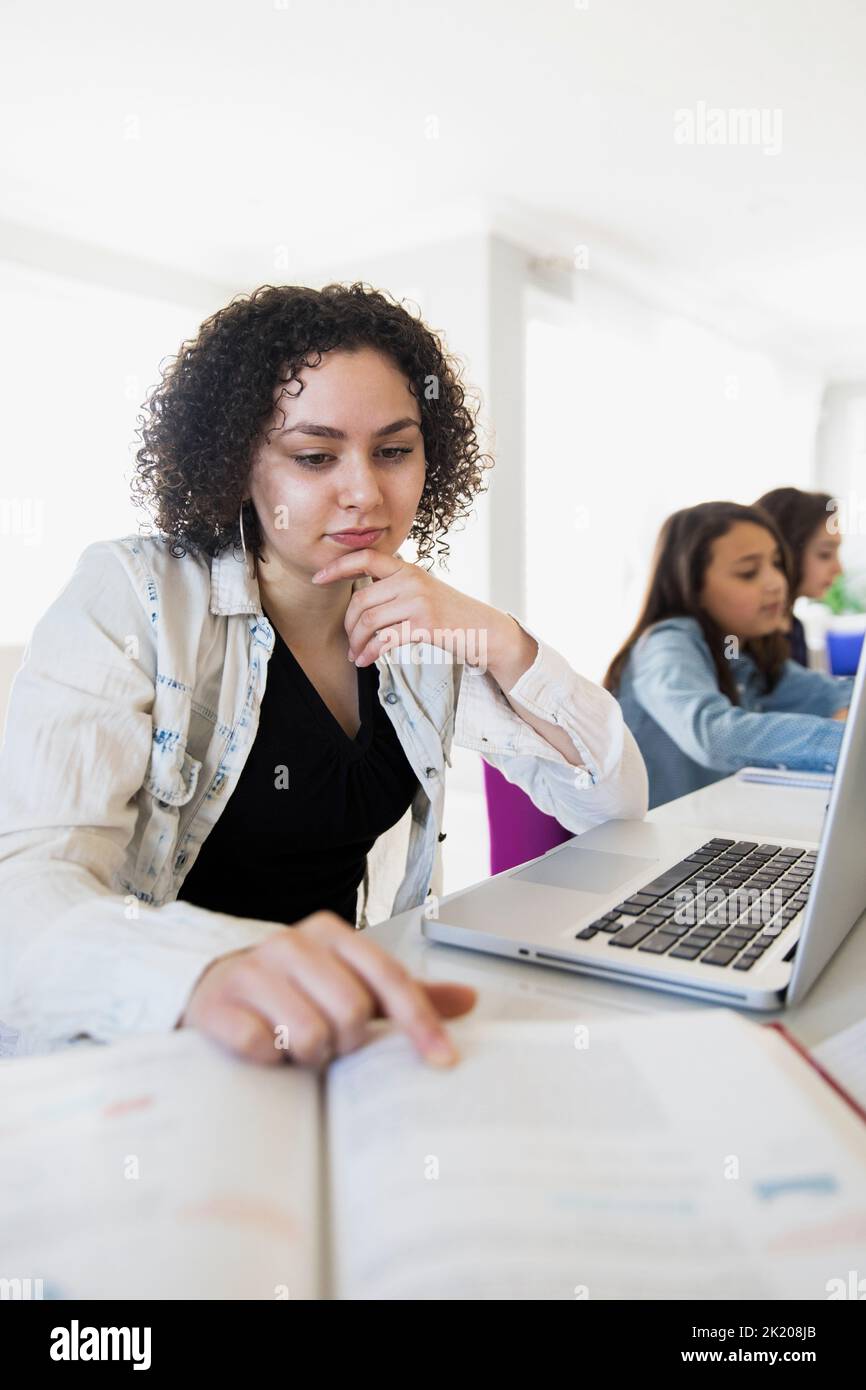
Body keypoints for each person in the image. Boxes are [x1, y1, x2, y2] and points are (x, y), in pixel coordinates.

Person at [0, 281, 648, 1066]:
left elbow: (614, 804)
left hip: (348, 1044)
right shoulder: (135, 597)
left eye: (394, 451)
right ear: (237, 462)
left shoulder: (419, 625)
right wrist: (205, 968)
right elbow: (25, 899)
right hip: (167, 1052)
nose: (364, 493)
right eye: (314, 456)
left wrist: (504, 640)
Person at [603, 501, 853, 810]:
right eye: (748, 573)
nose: (776, 583)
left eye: (777, 564)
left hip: (717, 825)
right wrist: (849, 742)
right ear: (693, 586)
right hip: (659, 839)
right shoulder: (665, 643)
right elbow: (716, 735)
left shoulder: (740, 653)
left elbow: (832, 693)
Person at [753, 487, 843, 665]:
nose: (839, 569)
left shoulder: (794, 628)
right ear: (786, 552)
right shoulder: (742, 636)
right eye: (825, 554)